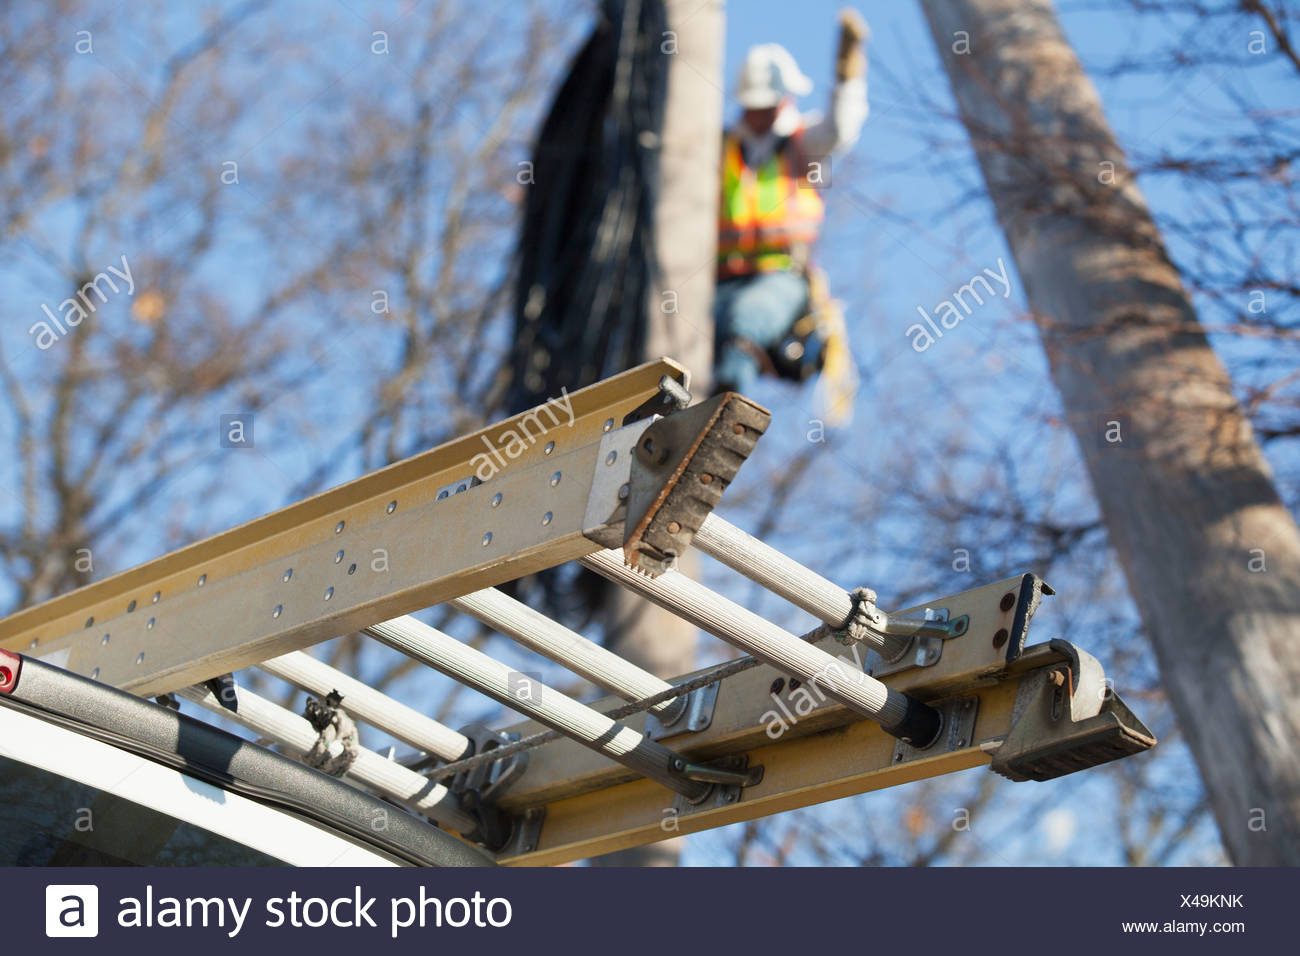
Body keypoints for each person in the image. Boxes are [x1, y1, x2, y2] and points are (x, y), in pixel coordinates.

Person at [713, 10, 870, 397]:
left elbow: (840, 129)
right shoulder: (722, 148)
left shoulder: (802, 143)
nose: (761, 112)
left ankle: (724, 405)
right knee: (686, 341)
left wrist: (847, 78)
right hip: (719, 278)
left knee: (745, 321)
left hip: (780, 274)